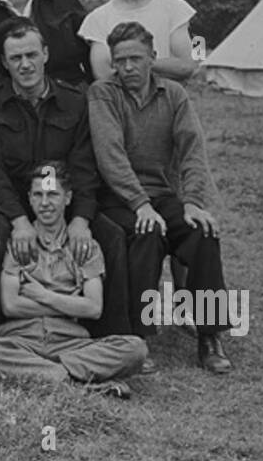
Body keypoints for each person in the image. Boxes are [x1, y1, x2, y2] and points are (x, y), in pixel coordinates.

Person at [0, 18, 133, 341]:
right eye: (16, 58)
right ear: (5, 62)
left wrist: (82, 220)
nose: (25, 64)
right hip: (12, 204)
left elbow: (85, 168)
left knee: (112, 235)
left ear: (45, 54)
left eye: (31, 54)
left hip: (65, 202)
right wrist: (19, 220)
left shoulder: (75, 102)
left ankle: (110, 335)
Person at [87, 22, 234, 374]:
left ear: (153, 57)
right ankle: (138, 337)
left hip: (163, 195)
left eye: (136, 59)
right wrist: (140, 205)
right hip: (117, 199)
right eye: (120, 61)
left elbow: (192, 150)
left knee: (201, 234)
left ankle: (210, 334)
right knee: (146, 234)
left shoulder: (174, 95)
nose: (128, 68)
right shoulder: (103, 93)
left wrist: (194, 202)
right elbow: (111, 156)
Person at [0, 163, 147, 396]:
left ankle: (49, 376)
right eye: (38, 195)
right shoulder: (19, 243)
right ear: (30, 199)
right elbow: (10, 305)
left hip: (72, 343)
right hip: (23, 340)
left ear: (68, 198)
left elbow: (94, 308)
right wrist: (69, 304)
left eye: (53, 194)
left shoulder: (85, 246)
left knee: (135, 348)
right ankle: (75, 380)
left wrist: (41, 295)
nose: (45, 203)